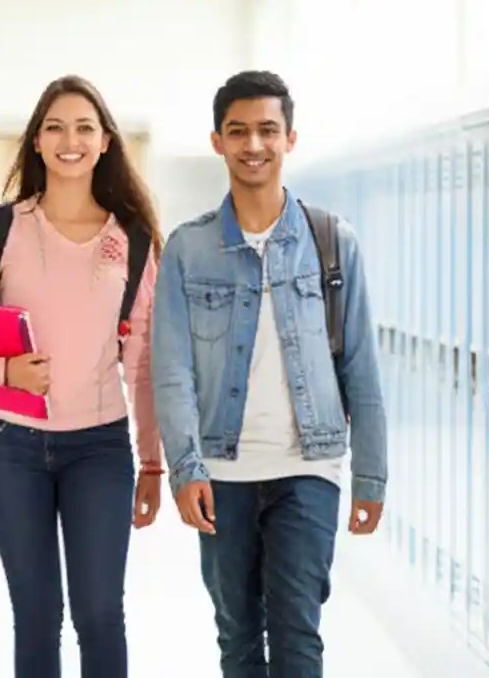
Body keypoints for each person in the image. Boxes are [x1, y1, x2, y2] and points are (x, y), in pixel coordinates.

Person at [150, 70, 387, 677]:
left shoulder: (333, 242)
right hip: (220, 471)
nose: (253, 145)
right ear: (217, 141)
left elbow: (361, 364)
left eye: (267, 130)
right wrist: (184, 467)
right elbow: (171, 369)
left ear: (290, 138)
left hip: (308, 465)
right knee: (237, 637)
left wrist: (371, 475)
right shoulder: (188, 248)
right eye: (238, 131)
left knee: (297, 634)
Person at [0, 75, 165, 678]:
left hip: (100, 448)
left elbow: (143, 360)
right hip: (10, 448)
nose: (71, 140)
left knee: (99, 613)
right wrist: (2, 369)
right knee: (36, 614)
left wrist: (152, 460)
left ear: (106, 142)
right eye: (56, 127)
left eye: (85, 127)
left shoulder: (132, 240)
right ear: (36, 142)